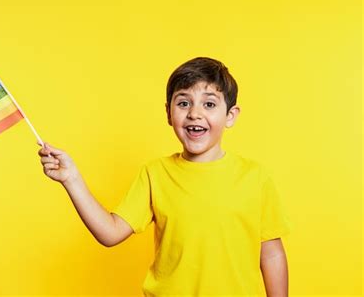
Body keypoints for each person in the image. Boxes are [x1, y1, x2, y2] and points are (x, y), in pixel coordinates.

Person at [38, 56, 292, 296]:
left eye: (209, 104)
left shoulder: (255, 177)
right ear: (168, 113)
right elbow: (110, 233)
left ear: (230, 116)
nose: (194, 113)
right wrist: (71, 179)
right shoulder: (155, 174)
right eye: (183, 103)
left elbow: (271, 254)